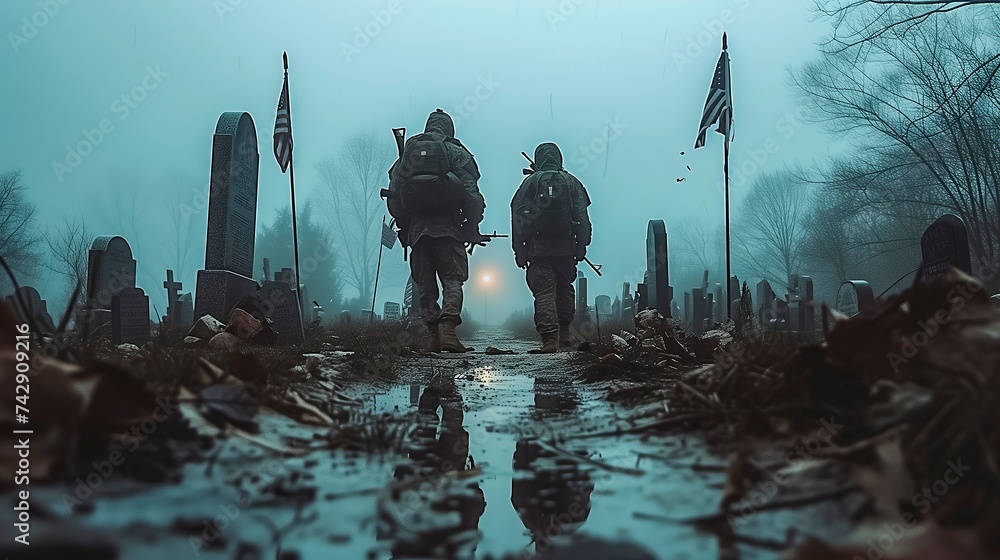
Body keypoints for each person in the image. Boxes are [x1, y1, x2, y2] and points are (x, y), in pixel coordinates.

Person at [387, 109, 485, 352]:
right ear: (449, 128)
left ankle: (433, 337)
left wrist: (403, 224)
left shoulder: (409, 153)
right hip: (449, 228)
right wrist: (472, 226)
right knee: (453, 280)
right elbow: (471, 194)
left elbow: (394, 192)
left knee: (425, 285)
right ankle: (448, 332)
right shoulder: (455, 152)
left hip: (418, 231)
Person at [511, 142, 592, 352]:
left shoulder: (530, 182)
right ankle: (564, 334)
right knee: (565, 290)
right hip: (566, 249)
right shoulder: (572, 182)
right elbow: (582, 216)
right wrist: (582, 244)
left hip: (538, 249)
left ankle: (549, 339)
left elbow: (517, 214)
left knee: (544, 294)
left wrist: (519, 249)